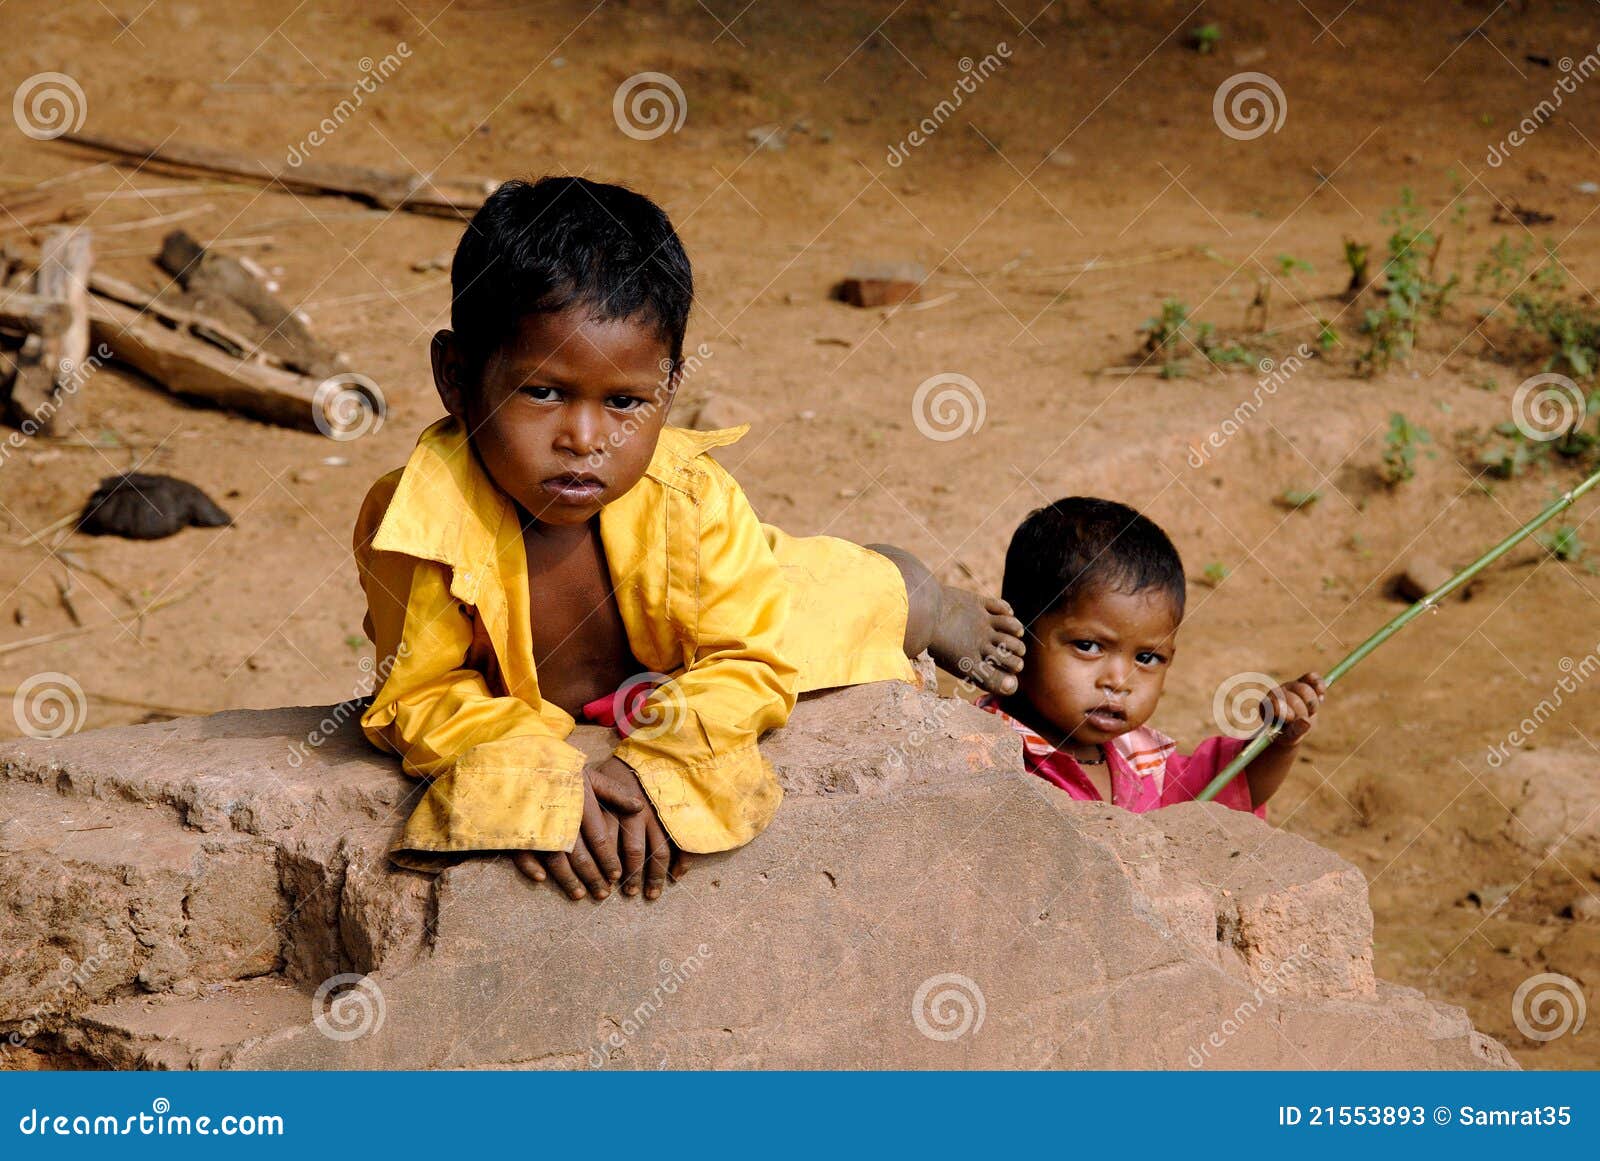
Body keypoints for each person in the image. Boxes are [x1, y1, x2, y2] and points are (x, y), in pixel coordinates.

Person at [352, 175, 1025, 902]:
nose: (584, 439)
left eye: (624, 403)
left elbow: (748, 656)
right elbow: (417, 691)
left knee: (849, 608)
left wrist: (658, 763)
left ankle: (922, 592)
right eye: (543, 392)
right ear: (455, 377)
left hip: (730, 608)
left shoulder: (693, 497)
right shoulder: (417, 518)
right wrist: (541, 780)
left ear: (667, 391)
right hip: (632, 678)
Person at [979, 496, 1327, 817]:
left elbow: (1236, 791)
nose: (1119, 681)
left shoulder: (1143, 760)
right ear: (1015, 636)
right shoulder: (982, 750)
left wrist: (1277, 742)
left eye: (1146, 658)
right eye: (1088, 646)